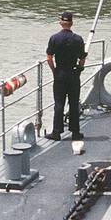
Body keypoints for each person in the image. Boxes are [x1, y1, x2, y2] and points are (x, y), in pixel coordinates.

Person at [45, 11, 86, 140]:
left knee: (59, 103)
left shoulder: (54, 38)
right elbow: (82, 58)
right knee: (73, 103)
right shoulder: (78, 39)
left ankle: (56, 132)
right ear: (72, 23)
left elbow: (49, 58)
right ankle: (75, 132)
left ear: (60, 22)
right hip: (73, 74)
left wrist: (54, 71)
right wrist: (79, 69)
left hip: (60, 73)